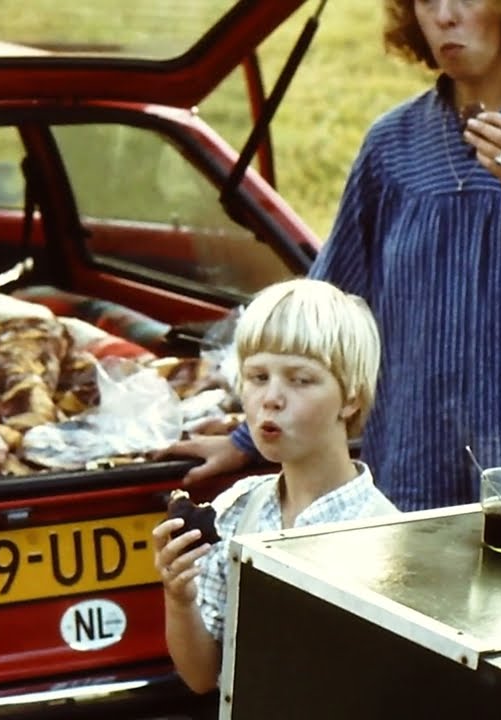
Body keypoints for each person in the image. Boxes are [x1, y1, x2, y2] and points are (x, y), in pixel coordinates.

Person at [168, 0, 501, 510]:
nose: (444, 16)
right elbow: (328, 320)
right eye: (426, 1)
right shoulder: (393, 146)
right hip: (416, 471)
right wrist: (249, 437)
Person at [151, 278, 399, 694]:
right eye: (258, 376)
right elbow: (201, 677)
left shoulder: (384, 538)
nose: (271, 398)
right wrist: (179, 597)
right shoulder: (236, 510)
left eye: (301, 379)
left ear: (351, 397)